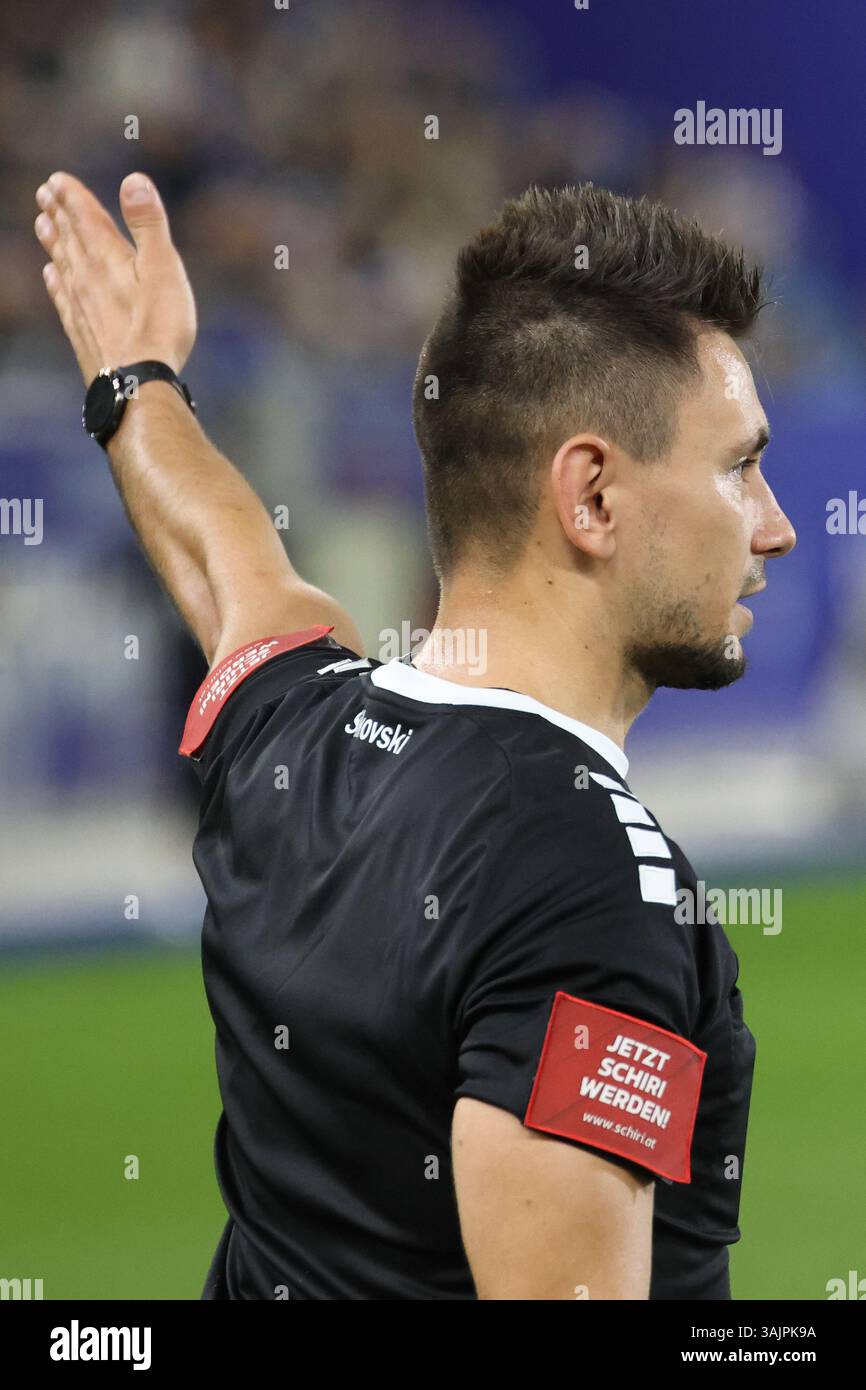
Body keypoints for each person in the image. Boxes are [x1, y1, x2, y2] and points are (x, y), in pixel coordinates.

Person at [34, 170, 795, 1299]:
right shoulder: (591, 886)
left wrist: (134, 380)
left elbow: (220, 554)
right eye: (737, 465)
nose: (773, 527)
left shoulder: (289, 720)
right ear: (588, 497)